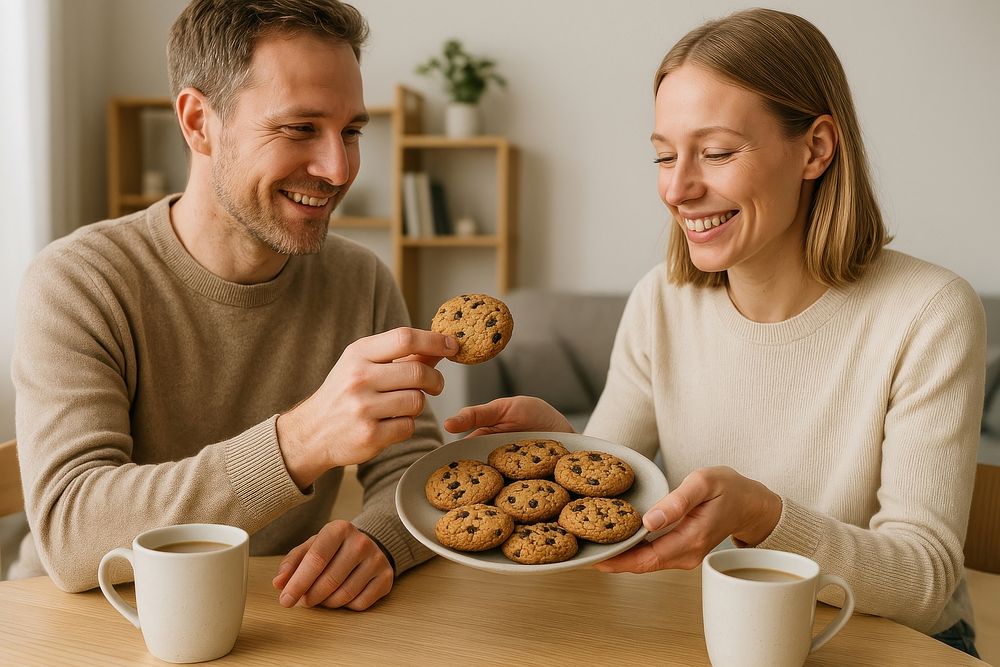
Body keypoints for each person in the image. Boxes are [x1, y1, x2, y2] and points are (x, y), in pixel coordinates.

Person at [445, 8, 985, 657]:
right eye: (663, 155)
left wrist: (763, 516)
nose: (678, 188)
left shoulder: (928, 311)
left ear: (815, 148)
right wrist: (560, 445)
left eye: (719, 152)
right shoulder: (661, 301)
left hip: (884, 643)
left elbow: (923, 582)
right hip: (713, 628)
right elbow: (609, 489)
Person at [10, 0, 455, 612]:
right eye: (299, 128)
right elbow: (70, 531)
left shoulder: (360, 279)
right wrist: (298, 443)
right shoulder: (81, 281)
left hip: (278, 619)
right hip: (88, 621)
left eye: (351, 131)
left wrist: (378, 539)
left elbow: (417, 470)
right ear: (199, 122)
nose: (338, 167)